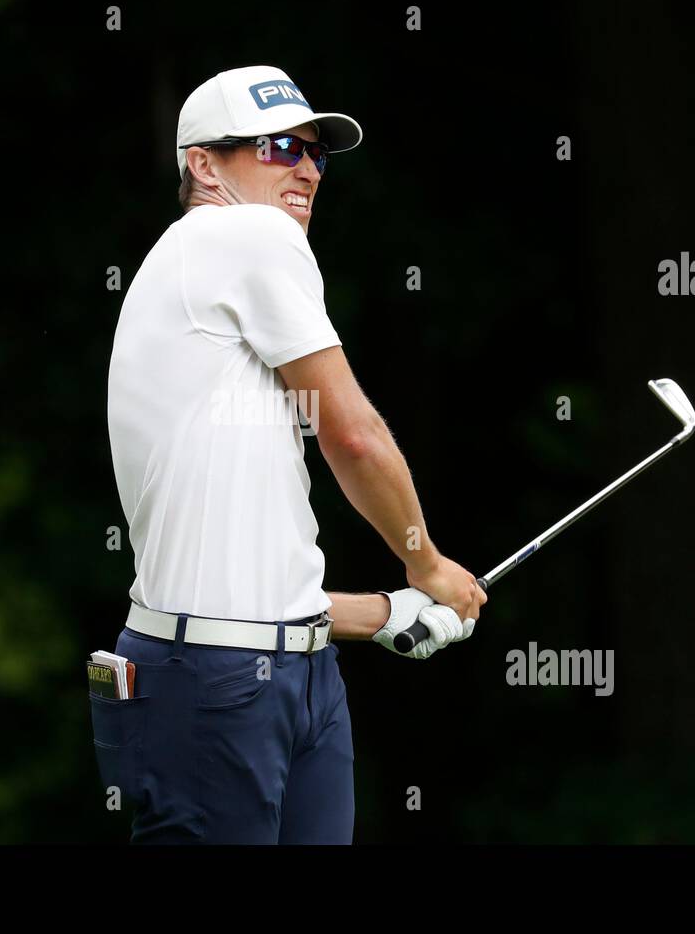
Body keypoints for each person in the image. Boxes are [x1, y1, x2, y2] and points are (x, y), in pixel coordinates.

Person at [96, 65, 485, 844]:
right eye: (278, 147)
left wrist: (381, 615)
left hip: (286, 672)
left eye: (317, 154)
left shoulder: (204, 280)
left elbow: (236, 569)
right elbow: (354, 436)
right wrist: (426, 564)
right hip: (215, 685)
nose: (306, 168)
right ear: (204, 165)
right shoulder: (243, 233)